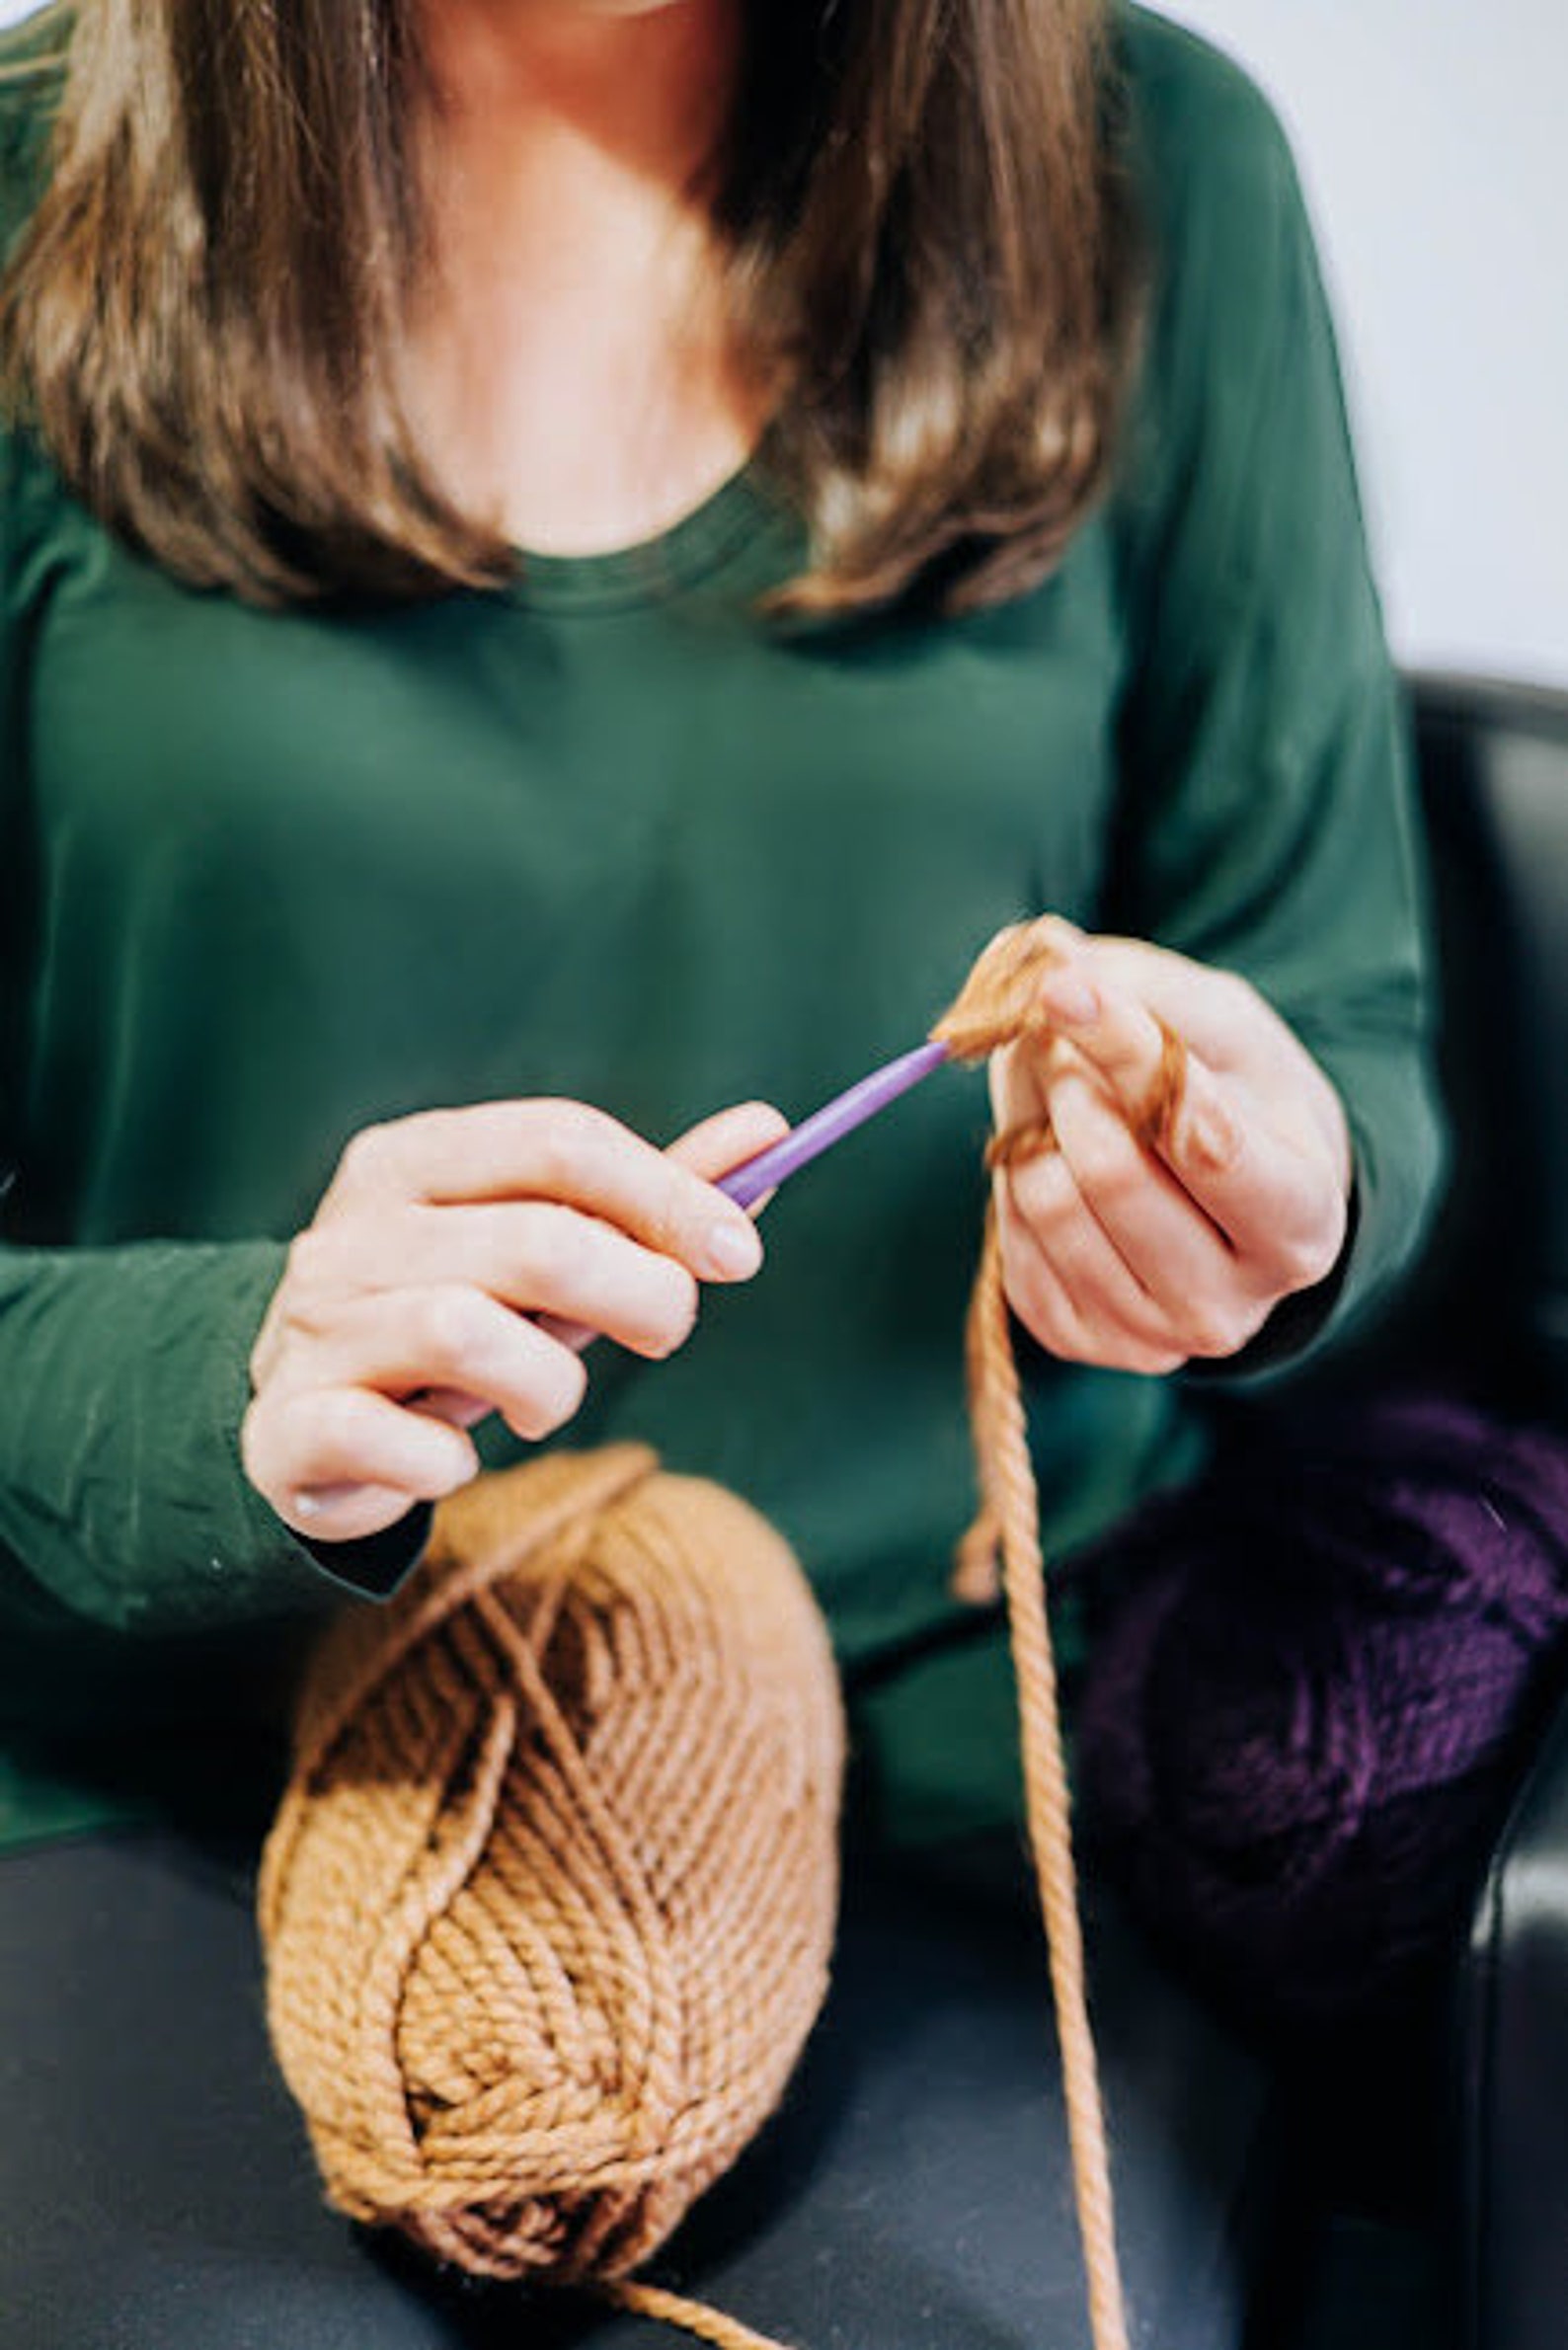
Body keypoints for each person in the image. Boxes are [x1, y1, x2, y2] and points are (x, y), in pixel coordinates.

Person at [0, 0, 1443, 1872]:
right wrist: (232, 1376)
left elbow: (1346, 1029)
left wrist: (1272, 1197)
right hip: (160, 1789)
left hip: (952, 1778)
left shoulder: (1161, 164)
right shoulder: (30, 195)